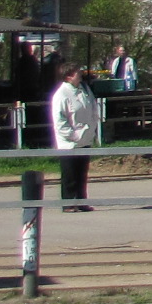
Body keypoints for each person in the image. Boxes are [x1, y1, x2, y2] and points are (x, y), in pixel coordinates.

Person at [50, 61, 102, 208]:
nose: (80, 74)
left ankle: (81, 201)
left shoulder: (84, 89)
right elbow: (60, 121)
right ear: (68, 76)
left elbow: (92, 107)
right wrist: (74, 135)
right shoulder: (61, 94)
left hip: (85, 139)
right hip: (69, 142)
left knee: (81, 173)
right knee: (70, 174)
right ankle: (68, 203)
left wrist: (91, 130)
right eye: (77, 72)